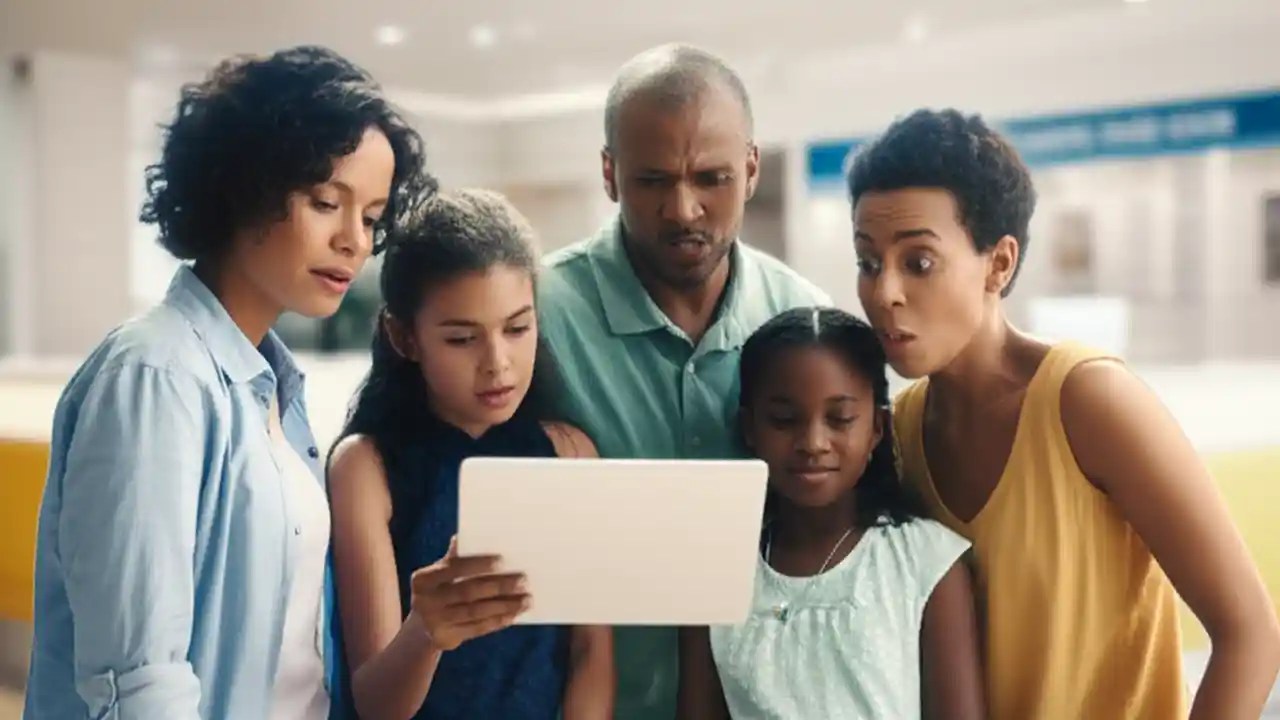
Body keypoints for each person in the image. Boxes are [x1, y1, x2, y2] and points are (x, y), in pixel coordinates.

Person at [23, 46, 428, 719]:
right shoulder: (157, 377)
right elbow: (138, 680)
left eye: (371, 217)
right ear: (247, 185)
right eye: (327, 201)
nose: (354, 241)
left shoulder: (270, 386)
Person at [850, 108, 1280, 719]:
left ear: (998, 263)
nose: (883, 291)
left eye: (918, 262)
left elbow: (1250, 632)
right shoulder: (900, 433)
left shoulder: (1089, 401)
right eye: (868, 262)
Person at [537, 43, 830, 720]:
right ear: (609, 175)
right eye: (653, 180)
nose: (684, 209)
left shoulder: (811, 324)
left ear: (752, 168)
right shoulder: (531, 318)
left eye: (711, 178)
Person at [326, 188, 615, 720]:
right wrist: (427, 631)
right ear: (404, 337)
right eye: (462, 339)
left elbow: (590, 652)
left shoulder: (568, 452)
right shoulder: (366, 467)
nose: (498, 363)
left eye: (518, 328)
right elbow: (375, 706)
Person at [677, 307, 985, 719]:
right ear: (749, 427)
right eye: (784, 420)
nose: (813, 442)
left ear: (876, 427)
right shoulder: (718, 566)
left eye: (840, 419)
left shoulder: (924, 563)